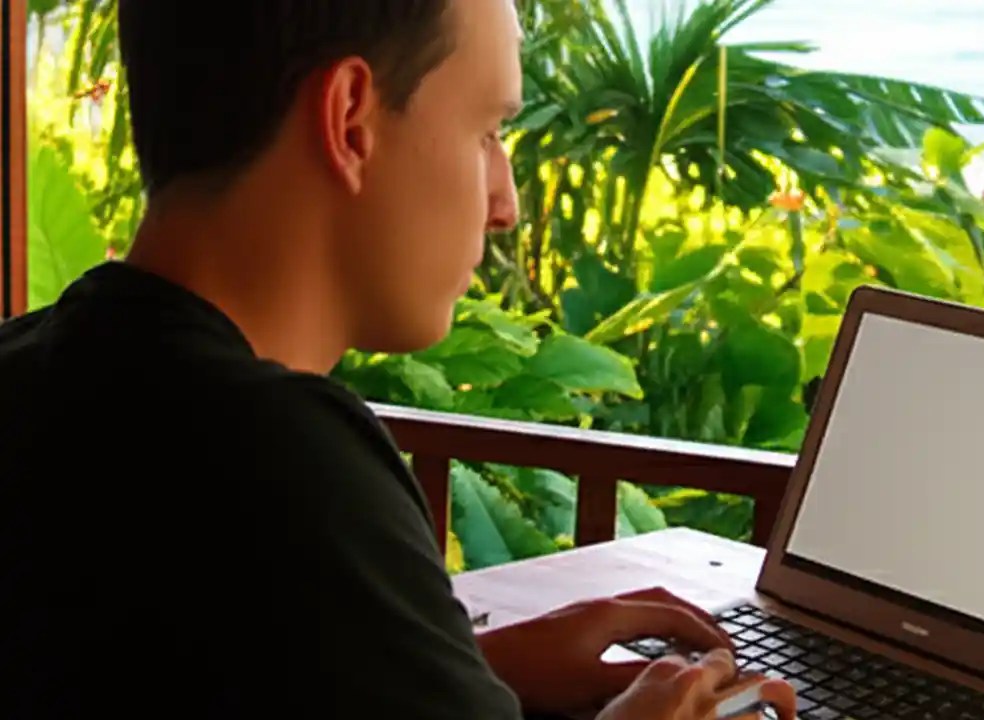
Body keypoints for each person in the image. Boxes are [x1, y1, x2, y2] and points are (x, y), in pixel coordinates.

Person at [0, 1, 797, 718]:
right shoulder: (277, 455)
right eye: (486, 132)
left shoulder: (40, 374)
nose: (505, 204)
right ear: (350, 122)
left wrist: (457, 671)